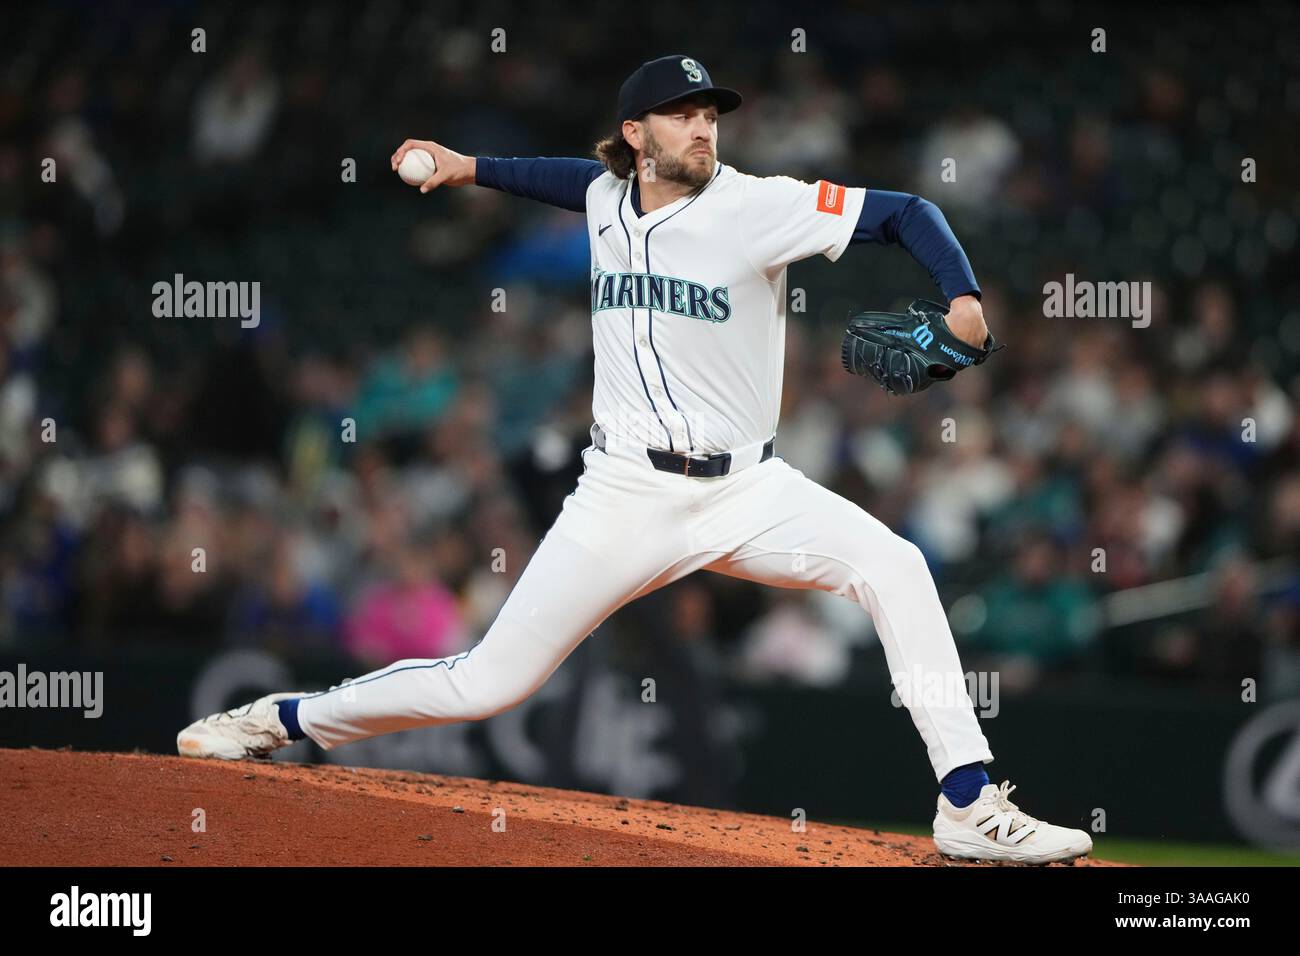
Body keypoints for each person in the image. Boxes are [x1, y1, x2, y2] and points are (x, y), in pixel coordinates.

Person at [178, 54, 1093, 864]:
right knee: (487, 682)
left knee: (896, 566)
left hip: (749, 487)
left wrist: (963, 301)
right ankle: (280, 719)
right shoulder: (606, 198)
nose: (704, 126)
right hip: (622, 492)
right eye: (684, 113)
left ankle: (969, 802)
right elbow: (564, 178)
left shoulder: (756, 205)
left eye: (711, 113)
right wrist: (469, 168)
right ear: (636, 133)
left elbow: (908, 213)